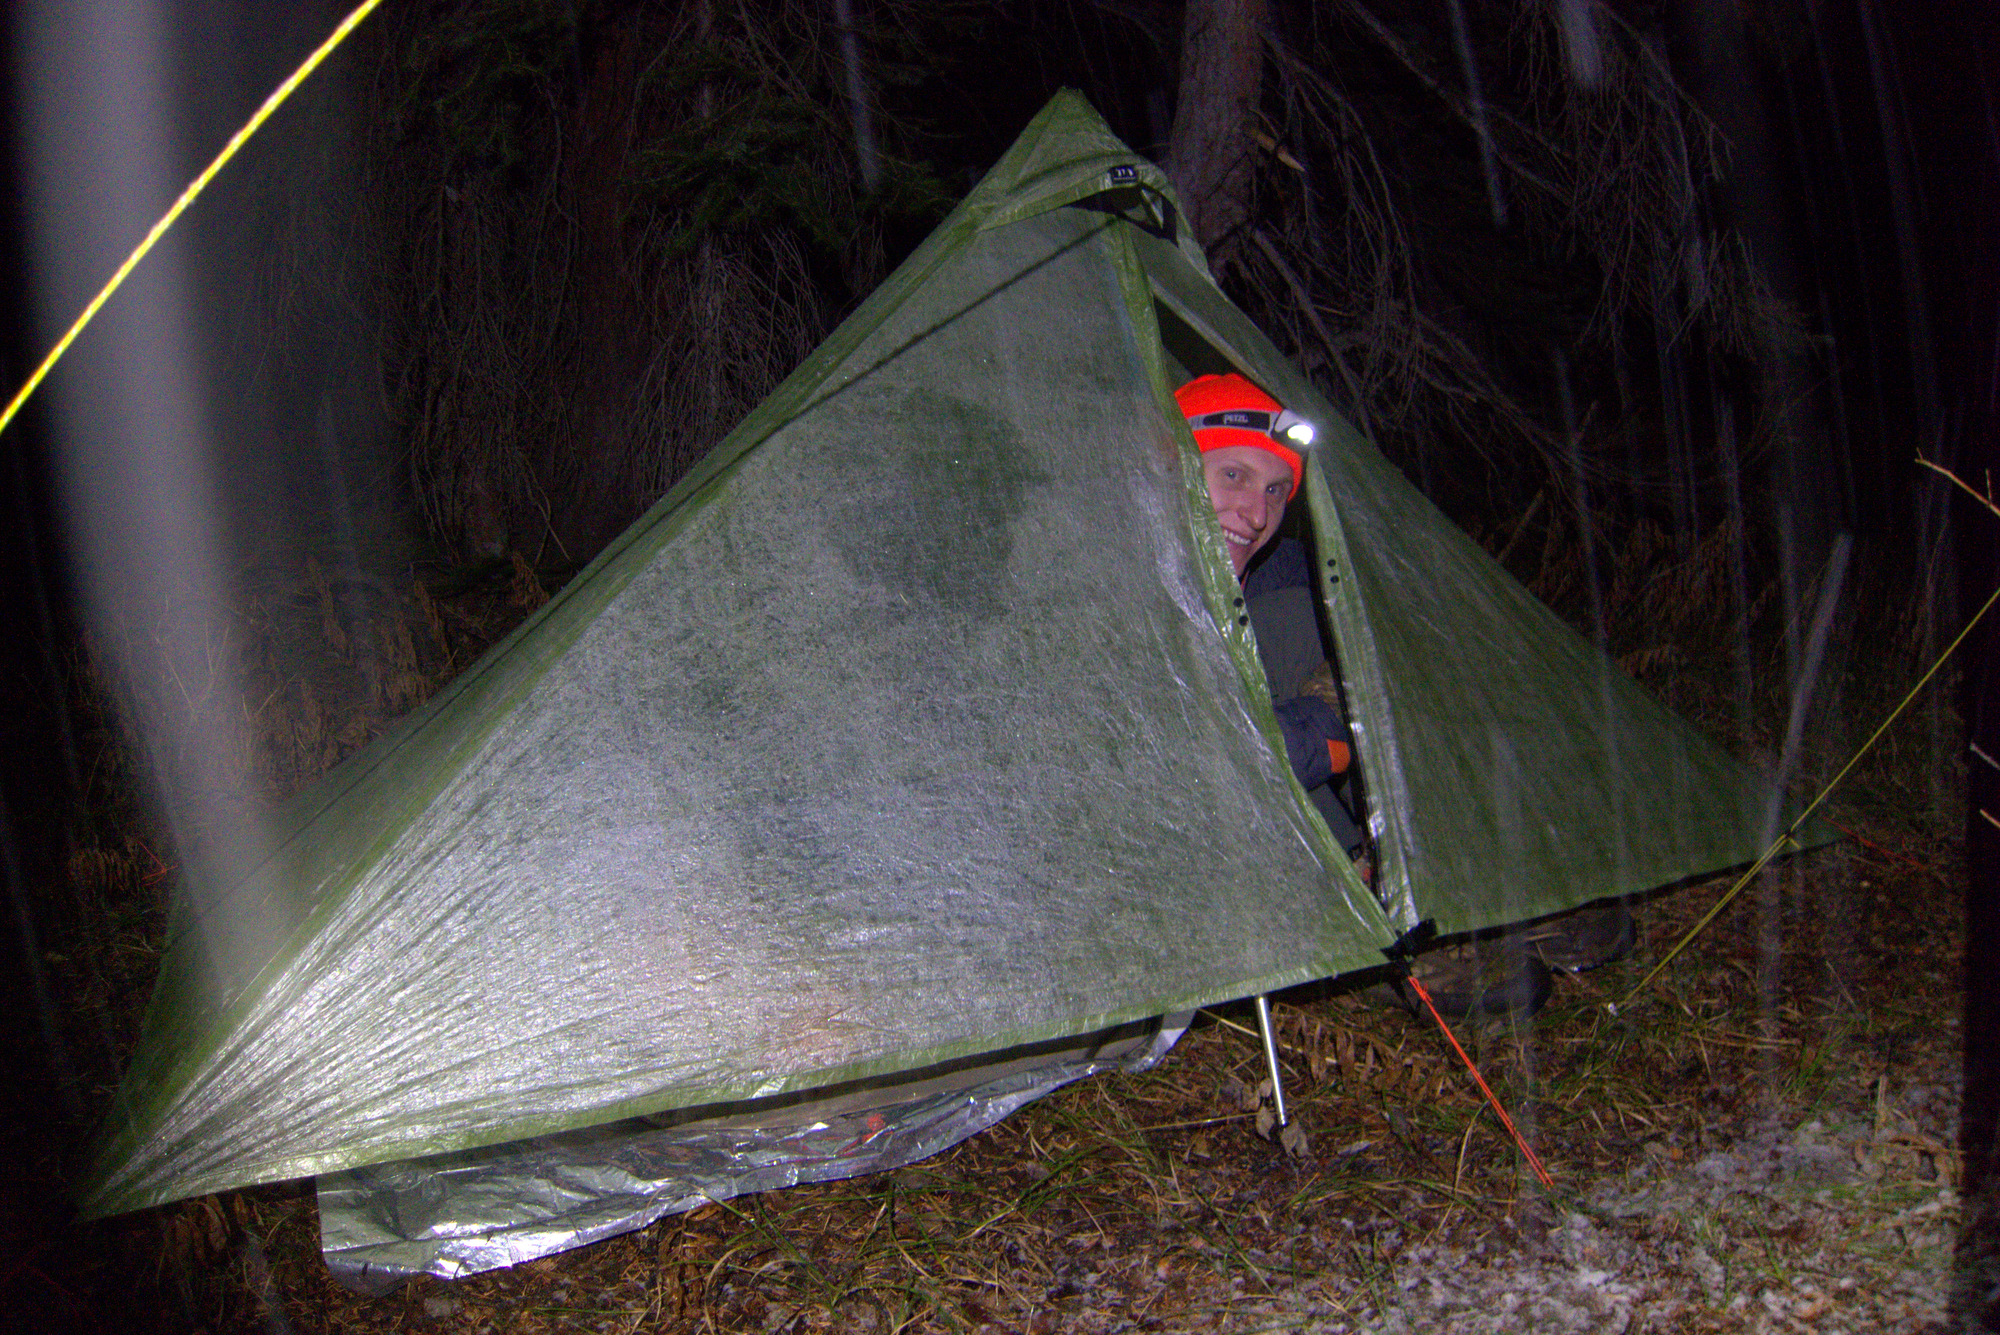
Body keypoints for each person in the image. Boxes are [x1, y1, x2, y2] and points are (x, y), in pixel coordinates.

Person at [1175, 374, 1361, 848]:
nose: (1258, 515)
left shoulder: (1290, 586)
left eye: (1276, 491)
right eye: (1234, 476)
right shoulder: (1095, 577)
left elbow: (1362, 706)